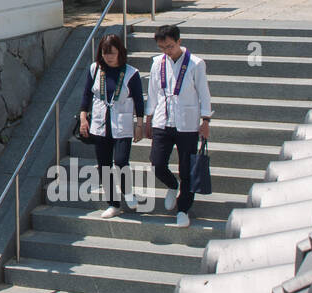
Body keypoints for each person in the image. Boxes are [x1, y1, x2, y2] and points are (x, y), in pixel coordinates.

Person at [146, 24, 212, 228]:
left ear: (179, 42)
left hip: (187, 123)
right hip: (162, 120)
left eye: (170, 46)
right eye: (162, 47)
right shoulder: (158, 63)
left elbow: (204, 93)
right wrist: (148, 120)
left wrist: (206, 120)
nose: (167, 51)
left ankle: (183, 209)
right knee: (157, 163)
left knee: (187, 169)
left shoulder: (195, 63)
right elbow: (153, 92)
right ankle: (172, 185)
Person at [79, 33, 146, 218]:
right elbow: (86, 95)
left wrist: (139, 124)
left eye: (112, 53)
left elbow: (139, 101)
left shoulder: (131, 73)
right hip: (100, 124)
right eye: (105, 52)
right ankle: (113, 203)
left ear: (120, 52)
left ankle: (128, 191)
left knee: (121, 161)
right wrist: (83, 118)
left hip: (121, 124)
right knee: (104, 165)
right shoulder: (95, 69)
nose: (108, 56)